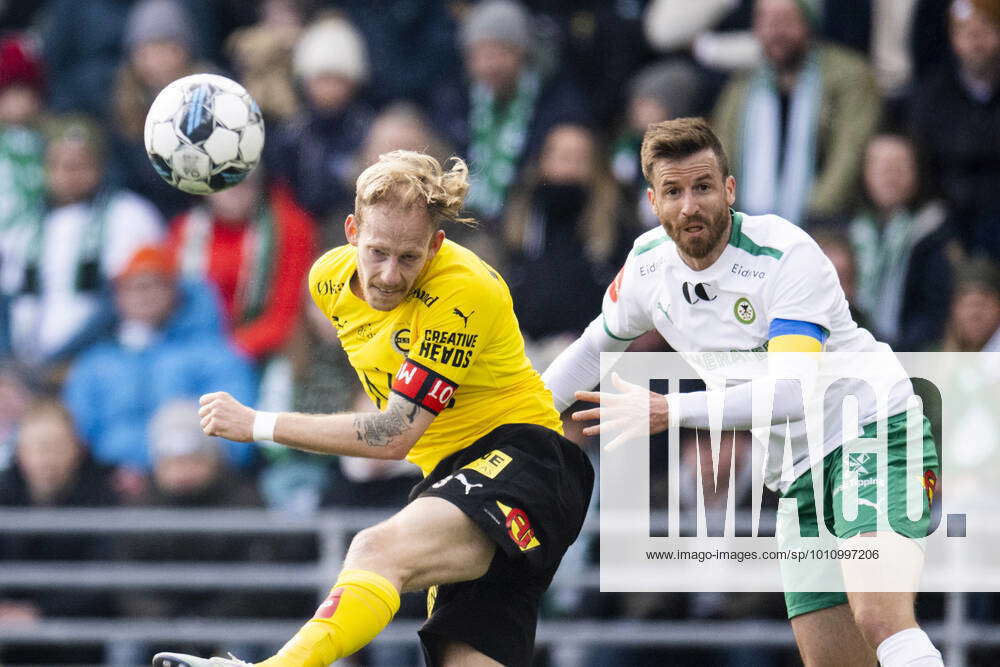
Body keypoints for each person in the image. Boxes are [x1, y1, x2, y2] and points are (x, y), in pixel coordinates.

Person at [152, 149, 594, 667]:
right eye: (377, 251)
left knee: (375, 549)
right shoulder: (327, 282)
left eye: (409, 257)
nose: (388, 274)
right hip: (452, 479)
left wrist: (259, 424)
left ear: (436, 245)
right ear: (350, 232)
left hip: (528, 464)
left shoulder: (462, 290)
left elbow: (393, 434)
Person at [541, 118, 943, 666]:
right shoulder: (647, 265)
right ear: (653, 201)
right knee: (831, 659)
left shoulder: (785, 255)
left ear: (729, 190)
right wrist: (522, 420)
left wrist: (669, 409)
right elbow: (592, 348)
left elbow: (789, 395)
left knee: (879, 617)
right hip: (795, 471)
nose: (690, 206)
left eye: (703, 187)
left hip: (870, 431)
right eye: (674, 192)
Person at [712, 0, 881, 226]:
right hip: (747, 225)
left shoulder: (850, 75)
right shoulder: (743, 84)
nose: (775, 31)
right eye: (765, 20)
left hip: (831, 222)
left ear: (809, 22)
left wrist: (815, 215)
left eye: (785, 20)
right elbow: (722, 151)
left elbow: (850, 152)